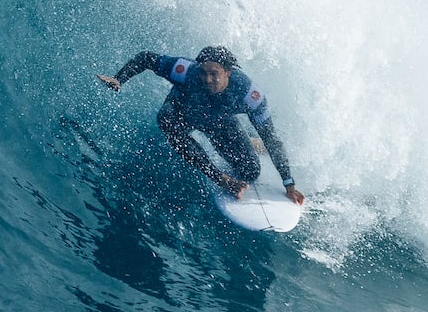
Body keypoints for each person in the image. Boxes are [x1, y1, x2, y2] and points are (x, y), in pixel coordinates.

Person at [97, 46, 306, 206]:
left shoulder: (249, 94)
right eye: (204, 73)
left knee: (250, 171)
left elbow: (271, 138)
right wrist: (119, 78)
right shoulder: (186, 70)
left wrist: (289, 185)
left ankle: (252, 144)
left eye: (214, 74)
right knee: (166, 120)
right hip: (183, 114)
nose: (207, 79)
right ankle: (219, 177)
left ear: (228, 73)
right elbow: (147, 58)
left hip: (219, 123)